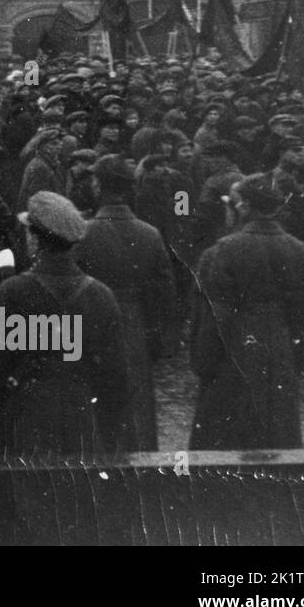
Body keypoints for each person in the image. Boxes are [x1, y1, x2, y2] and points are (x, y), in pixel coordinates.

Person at [0, 191, 130, 458]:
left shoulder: (14, 291)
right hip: (82, 415)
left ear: (35, 239)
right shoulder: (101, 295)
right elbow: (117, 377)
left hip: (27, 415)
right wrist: (110, 434)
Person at [190, 174, 304, 450]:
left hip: (235, 344)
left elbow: (214, 316)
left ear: (243, 207)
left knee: (227, 426)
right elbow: (303, 311)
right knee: (276, 423)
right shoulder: (297, 247)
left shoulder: (222, 250)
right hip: (278, 344)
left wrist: (203, 361)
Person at [73, 155, 174, 451]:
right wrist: (157, 336)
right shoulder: (150, 234)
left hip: (92, 323)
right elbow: (165, 294)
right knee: (136, 396)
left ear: (97, 186)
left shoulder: (83, 232)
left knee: (94, 392)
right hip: (135, 322)